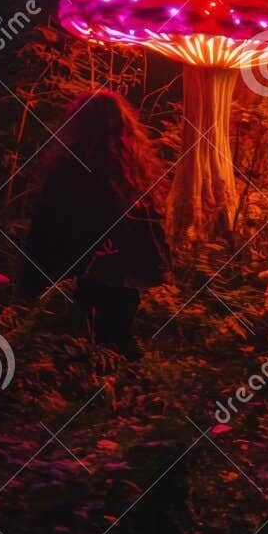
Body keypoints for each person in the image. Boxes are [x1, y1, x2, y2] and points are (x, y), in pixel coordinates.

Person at [21, 89, 169, 358]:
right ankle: (114, 359)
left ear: (78, 124)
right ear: (123, 124)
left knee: (80, 338)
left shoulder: (67, 166)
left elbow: (44, 229)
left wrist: (30, 285)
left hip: (77, 277)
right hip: (113, 279)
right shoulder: (131, 170)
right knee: (113, 338)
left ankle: (100, 359)